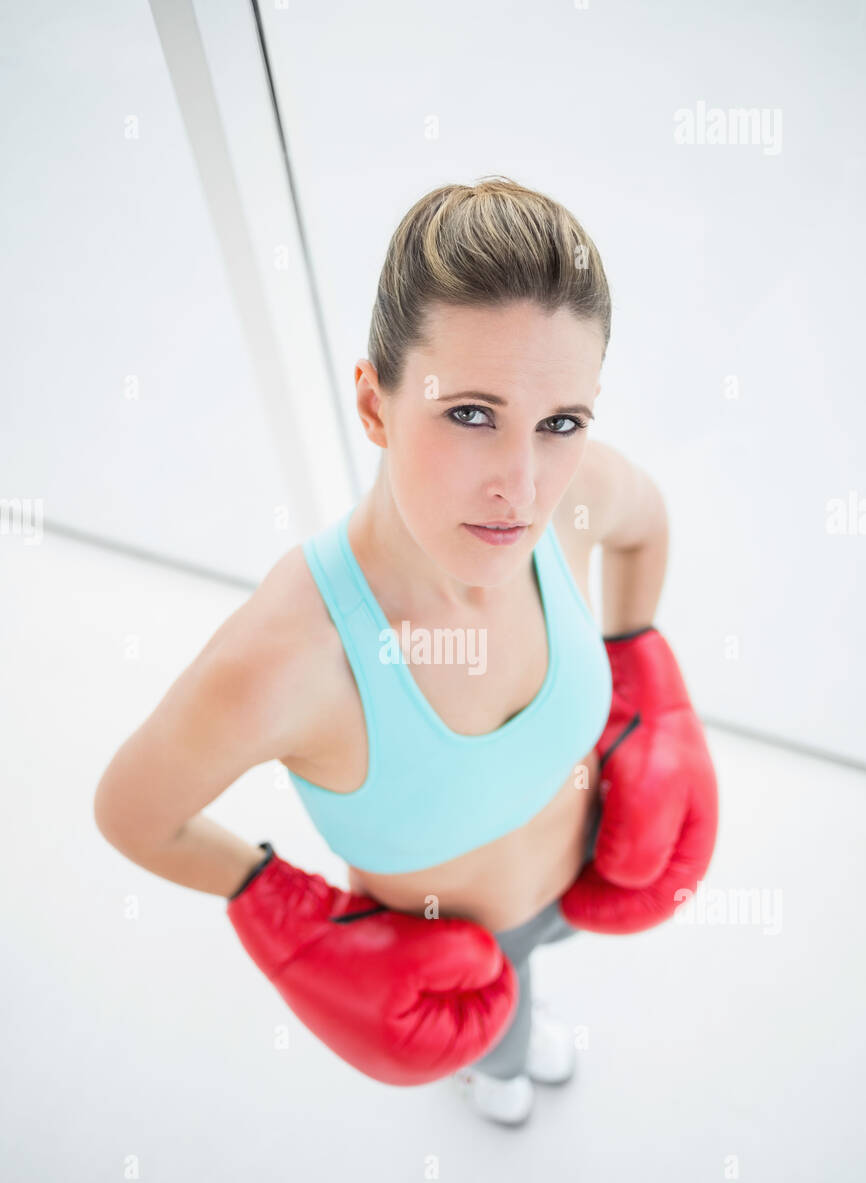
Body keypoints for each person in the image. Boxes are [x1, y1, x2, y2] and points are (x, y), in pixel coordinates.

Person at [93, 176, 717, 1128]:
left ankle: (522, 1028)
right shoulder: (293, 654)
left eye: (560, 422)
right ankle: (497, 1071)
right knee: (506, 1050)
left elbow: (647, 525)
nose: (521, 484)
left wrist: (645, 675)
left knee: (537, 968)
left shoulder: (577, 491)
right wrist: (285, 911)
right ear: (375, 406)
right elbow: (133, 812)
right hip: (446, 949)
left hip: (586, 875)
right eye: (471, 413)